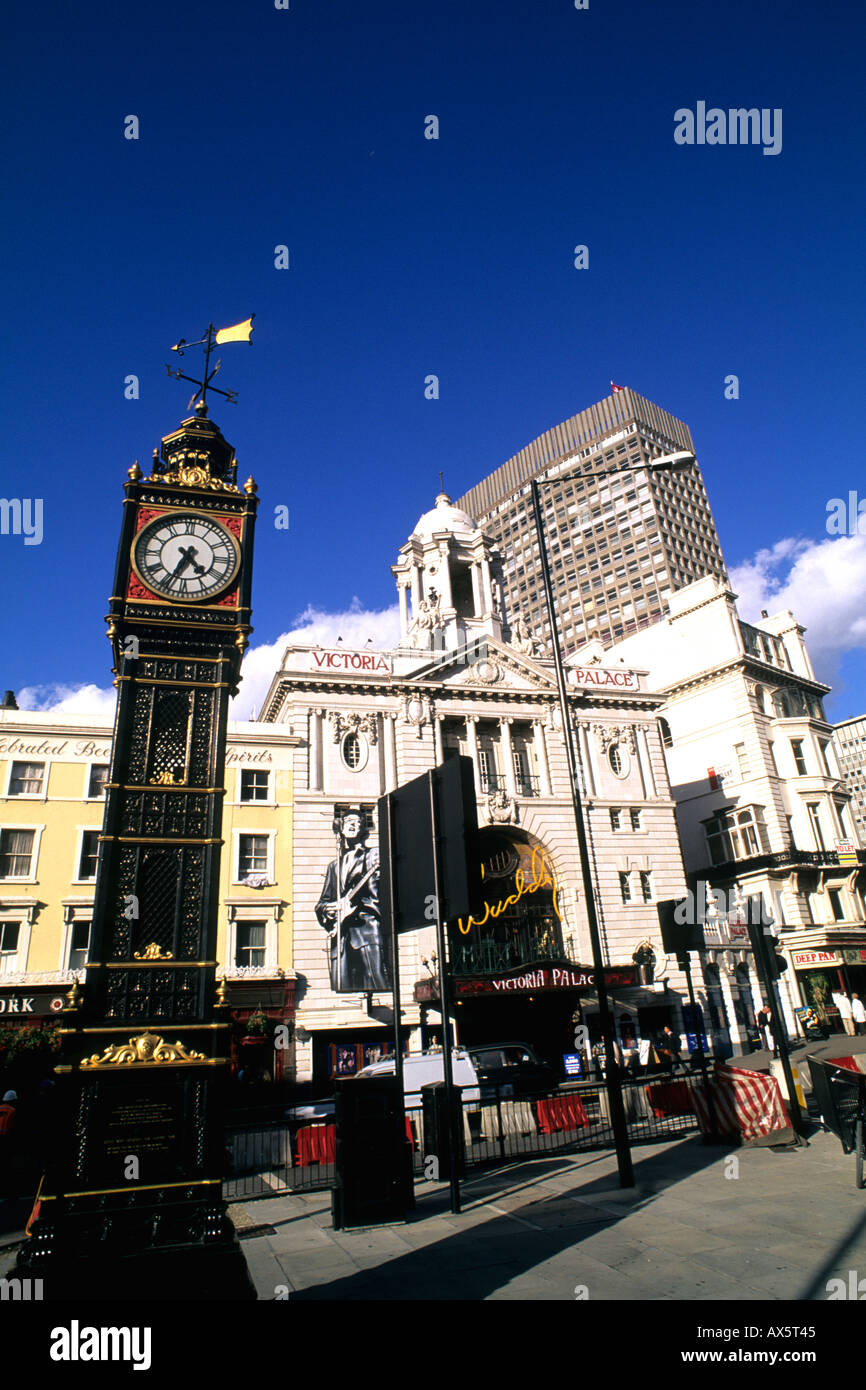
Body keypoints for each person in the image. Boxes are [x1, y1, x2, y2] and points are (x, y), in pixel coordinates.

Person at [316, 808, 389, 992]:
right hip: (342, 934)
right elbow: (322, 902)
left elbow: (384, 893)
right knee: (343, 984)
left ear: (363, 831)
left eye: (358, 822)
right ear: (340, 828)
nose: (352, 824)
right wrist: (329, 909)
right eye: (348, 820)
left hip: (367, 929)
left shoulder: (374, 855)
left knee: (378, 981)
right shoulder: (334, 866)